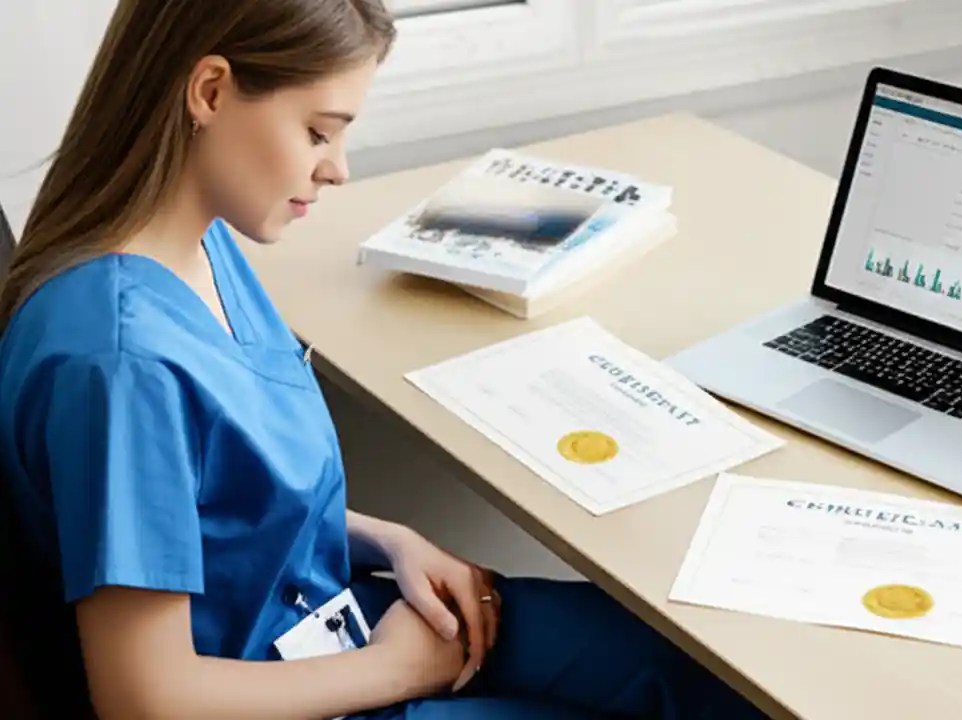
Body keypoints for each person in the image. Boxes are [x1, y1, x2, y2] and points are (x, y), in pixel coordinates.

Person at [0, 2, 767, 718]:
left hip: (326, 616)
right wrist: (401, 672)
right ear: (209, 91)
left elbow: (215, 505)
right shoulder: (122, 363)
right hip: (282, 686)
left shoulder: (200, 248)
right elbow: (147, 698)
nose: (338, 169)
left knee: (697, 666)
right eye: (318, 133)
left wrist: (386, 538)